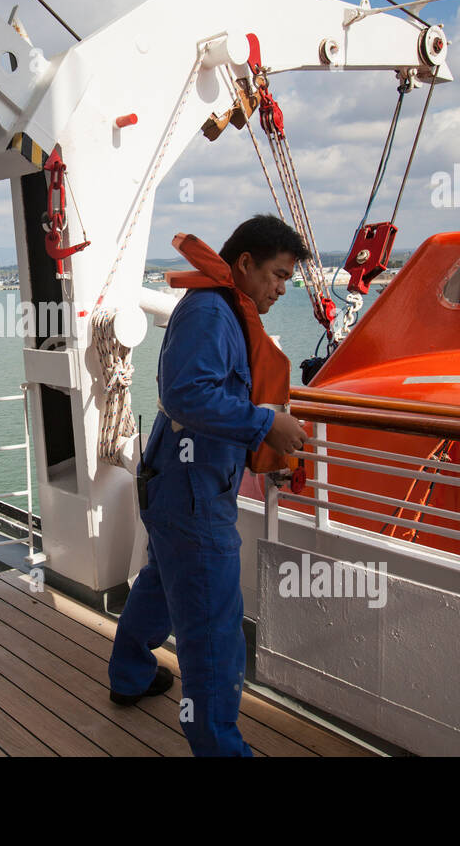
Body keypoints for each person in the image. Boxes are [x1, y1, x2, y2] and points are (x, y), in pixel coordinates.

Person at [108, 215, 310, 757]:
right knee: (215, 628)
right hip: (192, 493)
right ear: (244, 264)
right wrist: (268, 425)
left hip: (179, 483)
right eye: (276, 275)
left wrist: (263, 439)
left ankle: (129, 672)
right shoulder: (210, 313)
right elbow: (186, 396)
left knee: (162, 581)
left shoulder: (220, 308)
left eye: (287, 280)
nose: (280, 289)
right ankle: (218, 745)